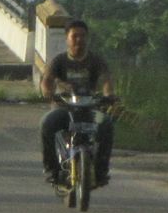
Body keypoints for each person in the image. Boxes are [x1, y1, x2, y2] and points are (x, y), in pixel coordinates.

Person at [40, 20, 115, 187]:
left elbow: (106, 80)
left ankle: (101, 171)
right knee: (47, 124)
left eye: (82, 36)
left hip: (90, 109)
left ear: (87, 38)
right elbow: (47, 81)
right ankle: (51, 169)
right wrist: (49, 93)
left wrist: (108, 95)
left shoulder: (96, 60)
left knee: (107, 125)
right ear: (67, 38)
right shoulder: (59, 61)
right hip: (64, 109)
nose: (79, 40)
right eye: (75, 36)